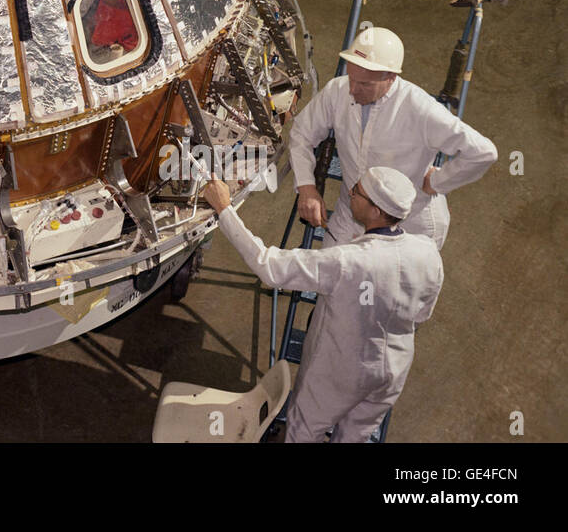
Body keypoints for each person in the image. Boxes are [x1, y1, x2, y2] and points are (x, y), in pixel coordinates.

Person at [204, 166, 443, 443]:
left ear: (377, 211)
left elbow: (269, 266)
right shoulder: (427, 251)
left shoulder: (348, 261)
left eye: (358, 193)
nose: (350, 193)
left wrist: (224, 209)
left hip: (342, 370)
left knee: (302, 431)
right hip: (393, 371)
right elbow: (422, 314)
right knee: (354, 436)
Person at [290, 25, 497, 249]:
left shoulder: (419, 109)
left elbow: (483, 152)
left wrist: (438, 182)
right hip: (351, 217)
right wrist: (307, 187)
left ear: (391, 77)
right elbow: (301, 133)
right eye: (351, 77)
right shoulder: (337, 91)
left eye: (365, 84)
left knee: (389, 281)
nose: (352, 90)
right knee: (331, 277)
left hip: (408, 227)